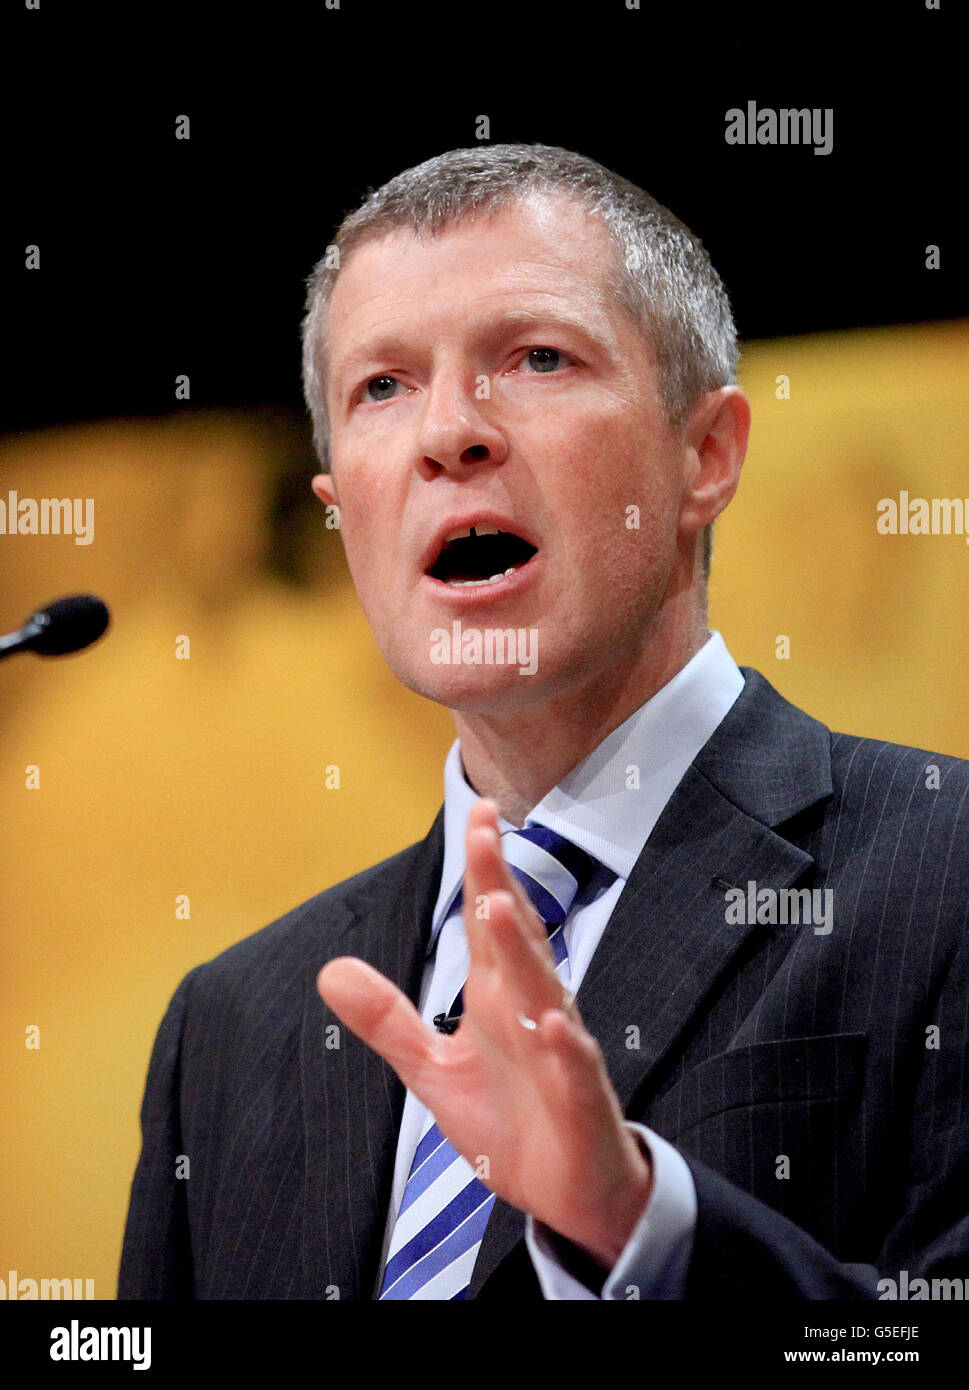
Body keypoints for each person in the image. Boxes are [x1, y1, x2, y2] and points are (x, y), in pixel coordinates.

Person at [118, 144, 969, 1301]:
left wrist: (642, 1229)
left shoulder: (944, 868)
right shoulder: (231, 1027)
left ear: (705, 453)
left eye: (536, 357)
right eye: (383, 385)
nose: (447, 433)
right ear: (338, 514)